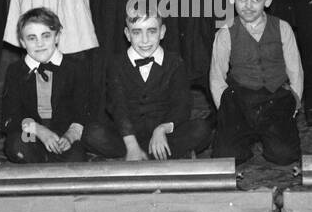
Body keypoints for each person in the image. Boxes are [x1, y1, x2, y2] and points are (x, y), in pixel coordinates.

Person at [81, 9, 213, 160]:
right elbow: (118, 106)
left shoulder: (175, 62)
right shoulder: (116, 64)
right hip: (127, 137)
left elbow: (181, 106)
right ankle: (152, 155)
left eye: (151, 31)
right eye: (137, 32)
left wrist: (161, 129)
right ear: (127, 34)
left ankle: (140, 156)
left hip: (164, 136)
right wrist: (131, 144)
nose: (145, 40)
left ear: (162, 32)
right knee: (91, 133)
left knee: (201, 128)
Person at [209, 0, 303, 166]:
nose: (248, 5)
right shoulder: (225, 32)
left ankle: (270, 135)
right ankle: (245, 138)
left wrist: (293, 102)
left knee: (285, 155)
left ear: (267, 1)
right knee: (227, 157)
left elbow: (295, 70)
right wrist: (226, 112)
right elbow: (216, 77)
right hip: (240, 100)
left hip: (275, 98)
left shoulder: (282, 28)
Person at [0, 7, 90, 163]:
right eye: (32, 38)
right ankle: (41, 161)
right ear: (22, 42)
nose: (39, 43)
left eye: (46, 36)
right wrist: (39, 131)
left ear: (57, 37)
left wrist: (70, 136)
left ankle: (50, 162)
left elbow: (81, 109)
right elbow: (9, 117)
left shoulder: (75, 67)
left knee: (76, 156)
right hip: (31, 132)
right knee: (17, 145)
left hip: (63, 135)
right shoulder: (15, 71)